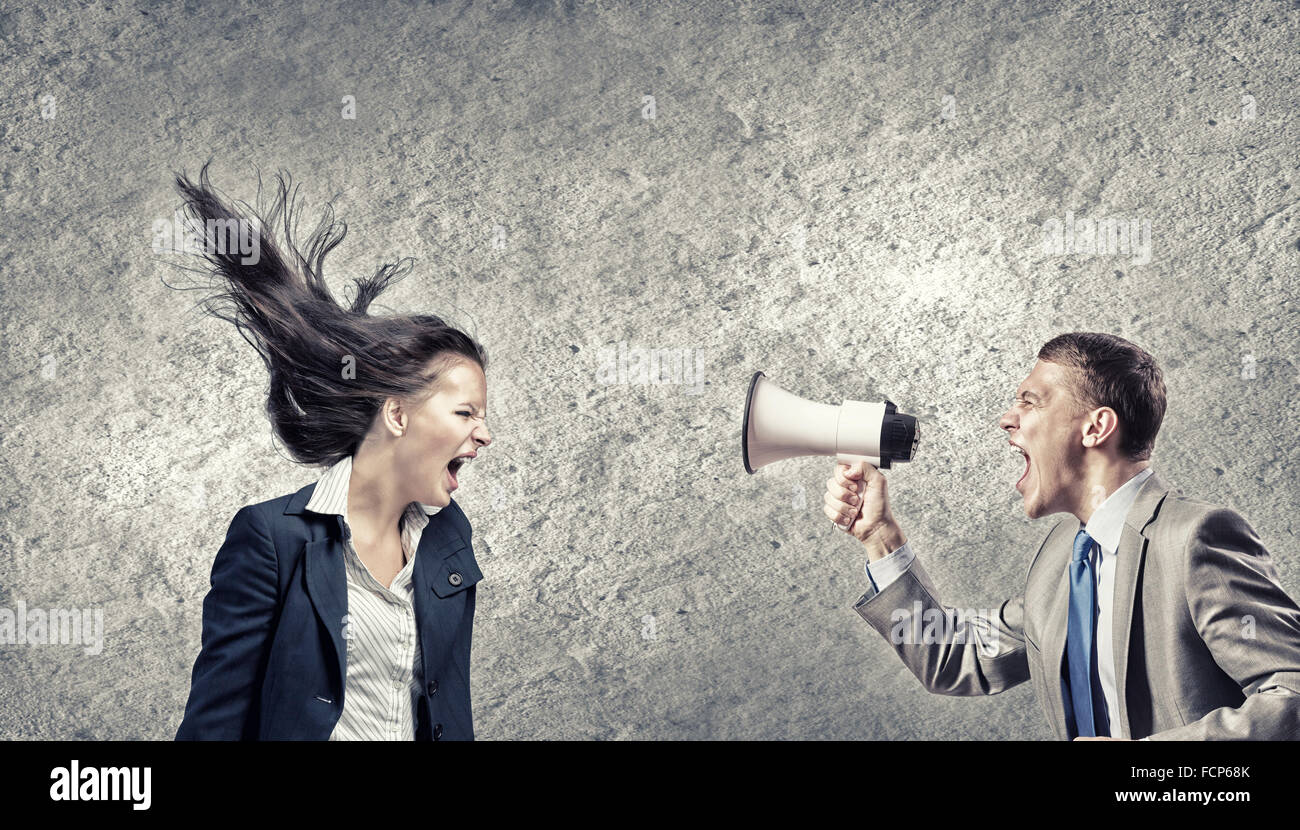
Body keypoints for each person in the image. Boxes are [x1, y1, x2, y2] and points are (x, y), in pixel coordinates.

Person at [823, 332, 1300, 740]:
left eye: (1029, 402)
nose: (1007, 419)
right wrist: (880, 539)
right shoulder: (1062, 560)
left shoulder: (1195, 537)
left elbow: (1292, 693)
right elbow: (955, 658)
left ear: (1096, 427)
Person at [171, 162, 492, 740]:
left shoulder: (447, 535)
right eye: (465, 413)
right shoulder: (273, 540)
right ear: (397, 415)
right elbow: (216, 723)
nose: (484, 434)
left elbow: (447, 709)